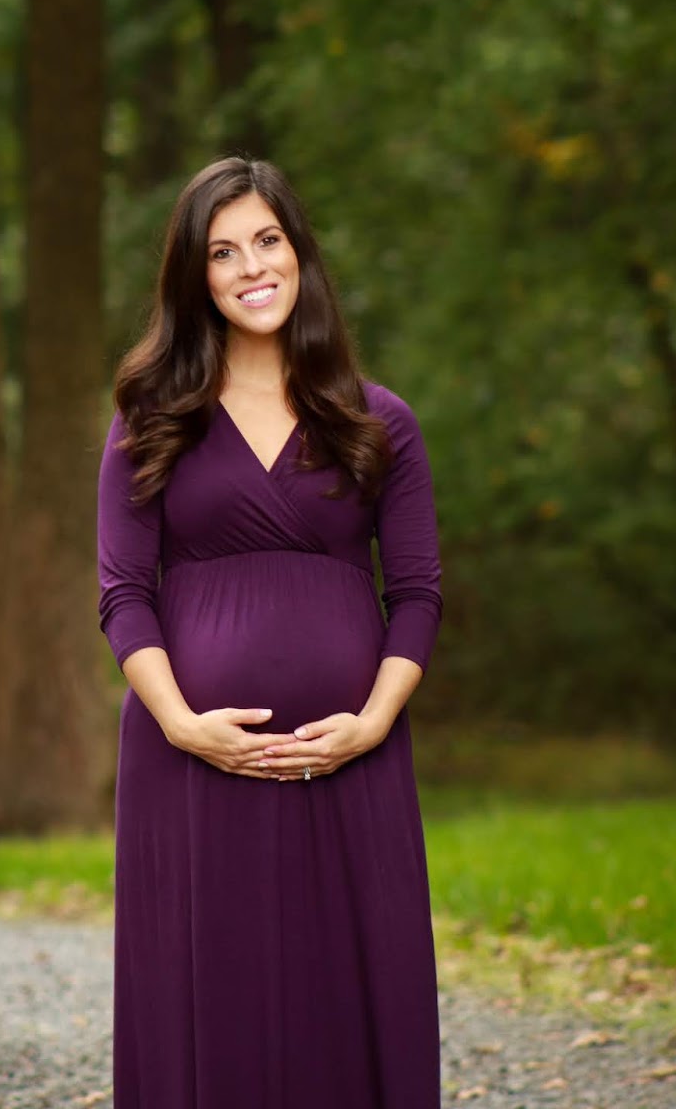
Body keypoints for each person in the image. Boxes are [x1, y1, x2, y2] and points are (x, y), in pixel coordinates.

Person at [96, 154, 444, 1109]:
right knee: (211, 1000)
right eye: (223, 251)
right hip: (191, 765)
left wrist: (371, 722)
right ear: (194, 276)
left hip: (353, 760)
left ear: (300, 254)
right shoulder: (150, 419)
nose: (252, 267)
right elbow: (124, 594)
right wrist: (180, 724)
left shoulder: (380, 421)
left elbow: (415, 593)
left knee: (353, 995)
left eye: (268, 240)